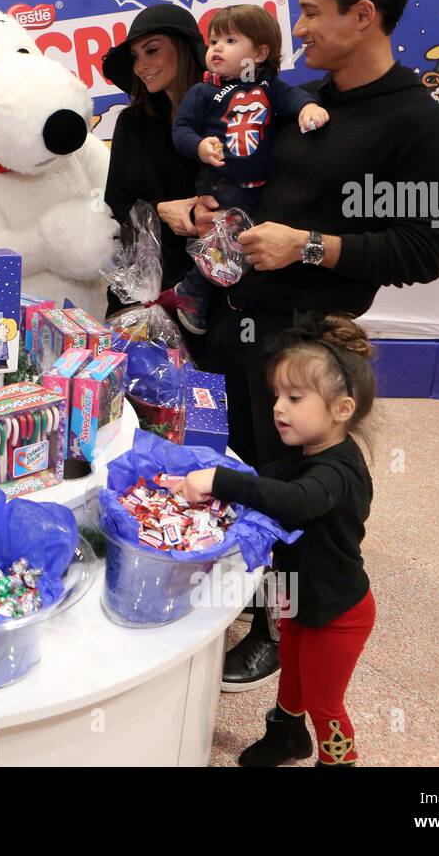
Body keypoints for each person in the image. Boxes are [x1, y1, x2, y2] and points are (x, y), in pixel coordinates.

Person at [199, 0, 439, 691]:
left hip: (306, 348)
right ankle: (249, 598)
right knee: (247, 474)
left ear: (365, 15)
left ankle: (278, 632)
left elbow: (420, 251)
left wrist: (308, 247)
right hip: (239, 322)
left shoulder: (418, 127)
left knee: (295, 496)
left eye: (314, 13)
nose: (302, 26)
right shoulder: (304, 101)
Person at [167, 314, 376, 766]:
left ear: (343, 409)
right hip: (292, 589)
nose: (279, 407)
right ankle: (286, 735)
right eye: (277, 395)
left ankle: (339, 760)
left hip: (336, 608)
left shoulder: (336, 472)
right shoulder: (304, 453)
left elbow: (294, 502)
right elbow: (266, 488)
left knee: (324, 701)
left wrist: (219, 479)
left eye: (295, 397)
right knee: (292, 678)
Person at [169, 5, 330, 335]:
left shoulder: (270, 88)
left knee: (247, 244)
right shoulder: (205, 91)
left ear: (259, 53)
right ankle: (192, 289)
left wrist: (310, 108)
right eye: (213, 40)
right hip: (220, 182)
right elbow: (181, 129)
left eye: (229, 40)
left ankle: (209, 295)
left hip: (260, 188)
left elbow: (296, 98)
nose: (216, 48)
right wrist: (200, 146)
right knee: (227, 239)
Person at [101, 4, 218, 345]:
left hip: (211, 293)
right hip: (140, 292)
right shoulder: (132, 123)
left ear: (184, 49)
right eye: (136, 56)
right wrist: (160, 209)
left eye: (152, 50)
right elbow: (116, 203)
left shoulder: (223, 117)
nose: (142, 66)